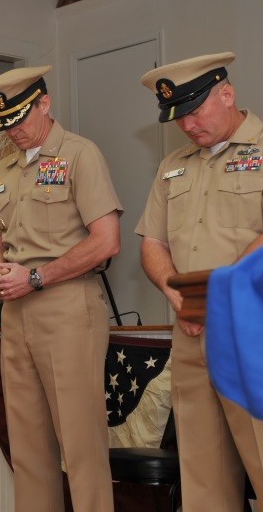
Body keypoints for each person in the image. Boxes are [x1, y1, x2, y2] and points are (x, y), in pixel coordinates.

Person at [0, 66, 122, 512]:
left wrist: (36, 277)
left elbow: (106, 241)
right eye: (3, 124)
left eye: (19, 119)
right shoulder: (7, 166)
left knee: (80, 445)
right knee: (28, 447)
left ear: (45, 103)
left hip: (68, 306)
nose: (12, 132)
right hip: (15, 313)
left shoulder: (80, 154)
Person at [136, 52, 263, 511]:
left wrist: (219, 294)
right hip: (191, 334)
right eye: (177, 117)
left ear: (226, 95)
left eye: (195, 111)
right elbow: (152, 241)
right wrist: (174, 291)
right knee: (203, 476)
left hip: (253, 335)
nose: (187, 125)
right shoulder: (173, 164)